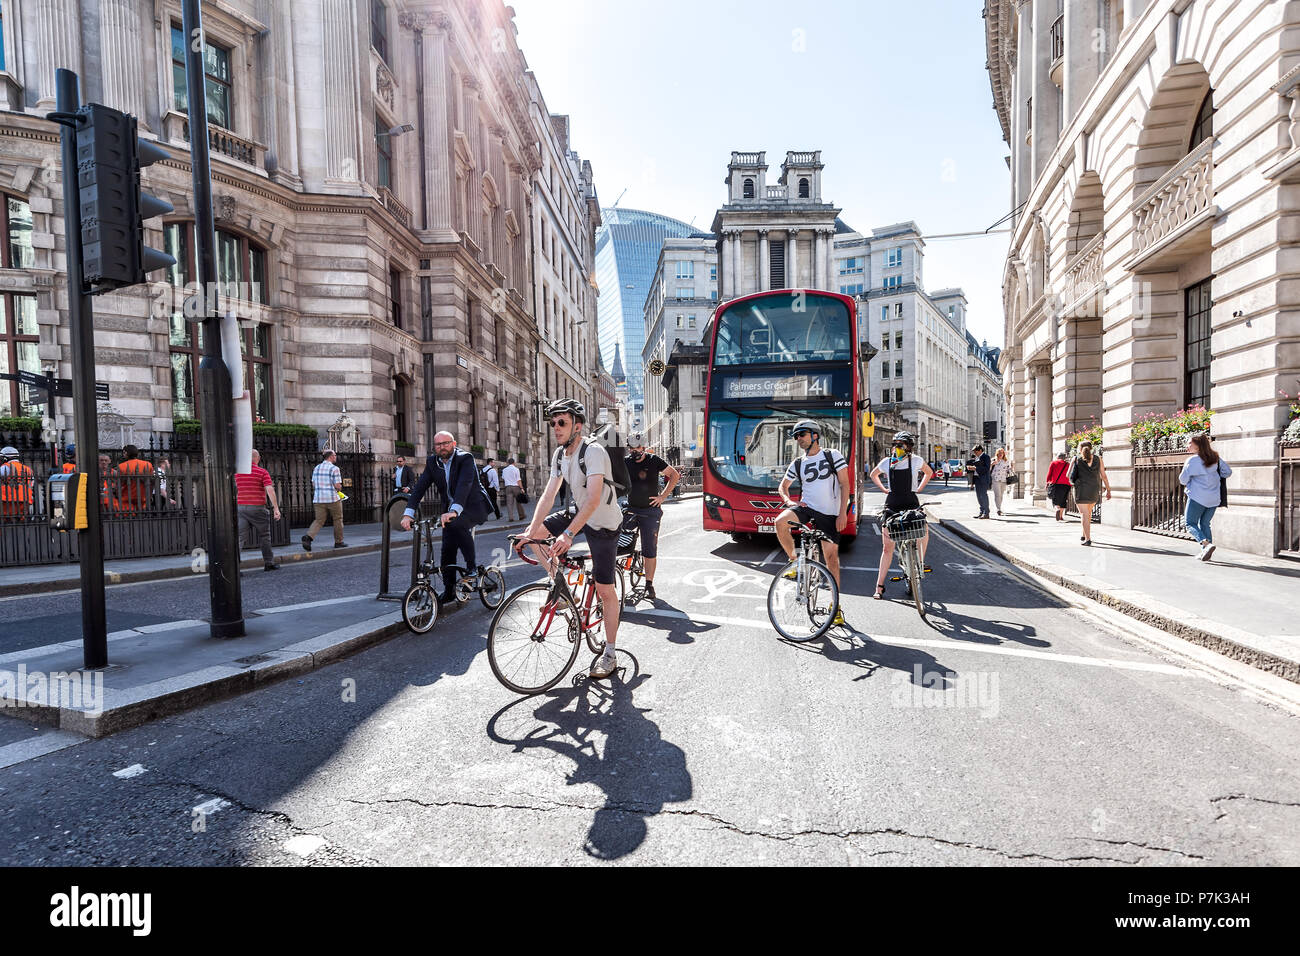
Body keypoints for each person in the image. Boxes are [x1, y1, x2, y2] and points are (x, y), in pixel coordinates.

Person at [517, 399, 624, 679]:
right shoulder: (559, 455)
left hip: (603, 523)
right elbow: (548, 495)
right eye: (553, 423)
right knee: (535, 538)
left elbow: (594, 499)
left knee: (605, 590)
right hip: (580, 513)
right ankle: (566, 591)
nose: (556, 428)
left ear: (577, 425)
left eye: (561, 422)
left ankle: (610, 653)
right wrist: (530, 529)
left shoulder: (594, 452)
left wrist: (567, 534)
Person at [401, 431, 493, 605]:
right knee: (446, 549)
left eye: (446, 443)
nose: (442, 447)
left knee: (458, 524)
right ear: (434, 447)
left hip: (472, 507)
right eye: (438, 444)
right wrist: (408, 513)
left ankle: (471, 569)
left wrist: (455, 510)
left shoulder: (465, 459)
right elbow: (420, 488)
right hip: (449, 513)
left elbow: (464, 485)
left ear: (454, 443)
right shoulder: (432, 462)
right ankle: (449, 590)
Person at [774, 419, 850, 627]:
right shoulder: (798, 462)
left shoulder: (832, 455)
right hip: (807, 509)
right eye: (796, 436)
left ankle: (836, 607)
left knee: (831, 559)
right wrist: (789, 501)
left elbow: (845, 484)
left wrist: (842, 513)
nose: (798, 439)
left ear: (815, 435)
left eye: (802, 434)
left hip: (830, 514)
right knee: (780, 522)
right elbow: (783, 486)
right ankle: (794, 560)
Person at [870, 431, 934, 599]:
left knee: (924, 531)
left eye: (901, 444)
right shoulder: (887, 462)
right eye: (895, 444)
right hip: (892, 504)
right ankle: (879, 586)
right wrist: (884, 489)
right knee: (887, 547)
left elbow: (929, 472)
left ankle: (918, 564)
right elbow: (873, 474)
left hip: (911, 502)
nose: (897, 447)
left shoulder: (917, 460)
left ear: (909, 447)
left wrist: (919, 488)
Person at [623, 433, 680, 600]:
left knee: (649, 549)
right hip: (631, 509)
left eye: (638, 449)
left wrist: (662, 496)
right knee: (619, 542)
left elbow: (674, 475)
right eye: (632, 449)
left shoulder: (654, 460)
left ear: (643, 447)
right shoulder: (626, 462)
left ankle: (649, 584)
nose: (635, 452)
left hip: (650, 512)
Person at [1179, 433, 1232, 562]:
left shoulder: (1192, 460)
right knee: (1205, 523)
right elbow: (1227, 472)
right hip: (1214, 498)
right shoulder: (1215, 458)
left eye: (1190, 443)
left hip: (1197, 496)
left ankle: (1206, 544)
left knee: (1190, 523)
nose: (1188, 445)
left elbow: (1183, 480)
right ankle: (1205, 552)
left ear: (1198, 445)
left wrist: (1194, 477)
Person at [236, 448, 282, 571]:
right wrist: (276, 508)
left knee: (239, 538)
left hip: (241, 507)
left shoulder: (238, 473)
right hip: (257, 508)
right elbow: (270, 490)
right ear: (258, 458)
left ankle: (234, 568)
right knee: (265, 536)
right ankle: (268, 563)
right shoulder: (262, 472)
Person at [1069, 440, 1111, 546]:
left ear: (1079, 449)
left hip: (1081, 490)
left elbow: (1068, 475)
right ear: (1091, 448)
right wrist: (1108, 490)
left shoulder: (1076, 459)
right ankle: (1084, 534)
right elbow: (1104, 476)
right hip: (1094, 490)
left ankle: (1087, 539)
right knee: (1088, 512)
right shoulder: (1099, 459)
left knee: (1084, 514)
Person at [303, 448, 345, 551]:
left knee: (319, 520)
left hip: (318, 499)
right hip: (332, 498)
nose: (336, 457)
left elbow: (313, 483)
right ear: (330, 457)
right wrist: (340, 489)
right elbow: (337, 485)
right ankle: (338, 542)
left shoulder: (317, 468)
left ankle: (308, 537)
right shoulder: (334, 469)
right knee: (337, 519)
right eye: (335, 455)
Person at [114, 444, 155, 514]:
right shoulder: (148, 464)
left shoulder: (121, 466)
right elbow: (151, 481)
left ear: (126, 453)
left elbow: (118, 484)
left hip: (127, 497)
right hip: (143, 496)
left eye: (124, 452)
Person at [0, 446, 33, 518]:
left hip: (8, 500)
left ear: (6, 458)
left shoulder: (5, 467)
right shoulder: (27, 469)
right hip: (25, 500)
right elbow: (31, 484)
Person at [1046, 452, 1072, 521]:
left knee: (1055, 499)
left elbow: (1049, 474)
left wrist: (1047, 482)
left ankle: (1057, 509)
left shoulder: (1053, 463)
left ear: (1058, 457)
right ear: (1064, 458)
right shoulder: (1068, 464)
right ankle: (1060, 516)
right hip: (1066, 484)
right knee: (1063, 499)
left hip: (1056, 484)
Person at [970, 444, 992, 518]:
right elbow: (975, 471)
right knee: (979, 496)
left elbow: (987, 468)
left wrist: (975, 468)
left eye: (975, 452)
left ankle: (986, 513)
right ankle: (981, 511)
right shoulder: (977, 458)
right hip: (977, 479)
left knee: (983, 496)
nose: (974, 453)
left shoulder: (986, 457)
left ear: (980, 450)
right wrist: (972, 483)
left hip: (983, 479)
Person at [990, 447, 1012, 516]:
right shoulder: (993, 460)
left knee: (1001, 495)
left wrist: (1011, 468)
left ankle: (999, 507)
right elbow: (988, 470)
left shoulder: (1006, 461)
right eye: (999, 453)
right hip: (995, 480)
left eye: (1002, 453)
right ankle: (998, 509)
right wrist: (991, 464)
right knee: (997, 495)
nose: (1000, 454)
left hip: (1003, 480)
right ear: (997, 454)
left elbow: (1009, 471)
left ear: (1003, 454)